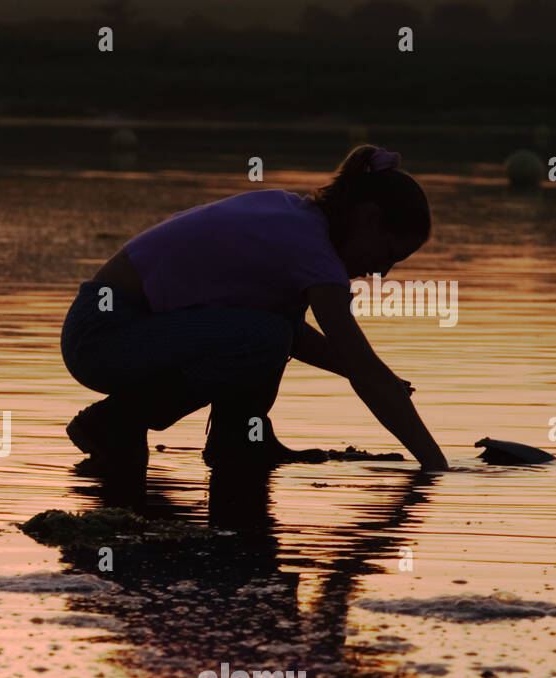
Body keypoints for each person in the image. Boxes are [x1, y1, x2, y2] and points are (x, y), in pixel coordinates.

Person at [60, 144, 449, 473]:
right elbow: (359, 367)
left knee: (272, 330)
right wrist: (436, 466)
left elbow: (300, 340)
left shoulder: (298, 220)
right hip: (104, 335)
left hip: (119, 330)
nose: (382, 271)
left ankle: (240, 439)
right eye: (389, 254)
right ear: (369, 219)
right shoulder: (309, 248)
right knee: (266, 334)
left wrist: (372, 375)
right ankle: (116, 421)